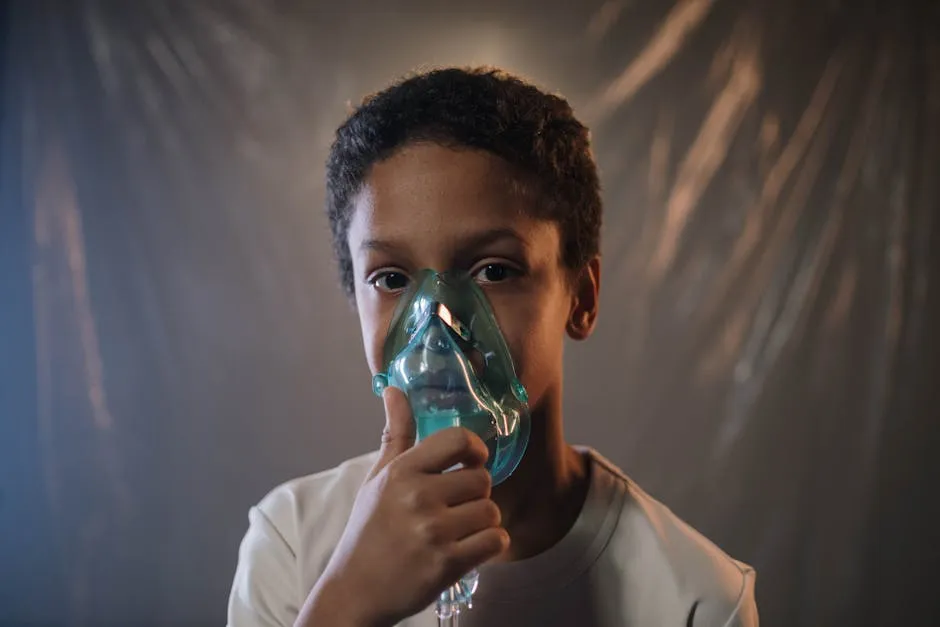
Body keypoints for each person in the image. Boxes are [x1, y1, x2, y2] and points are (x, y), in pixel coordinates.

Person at [227, 67, 758, 627]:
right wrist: (345, 605)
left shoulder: (694, 602)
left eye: (493, 270)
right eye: (390, 279)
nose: (439, 324)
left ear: (582, 297)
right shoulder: (292, 547)